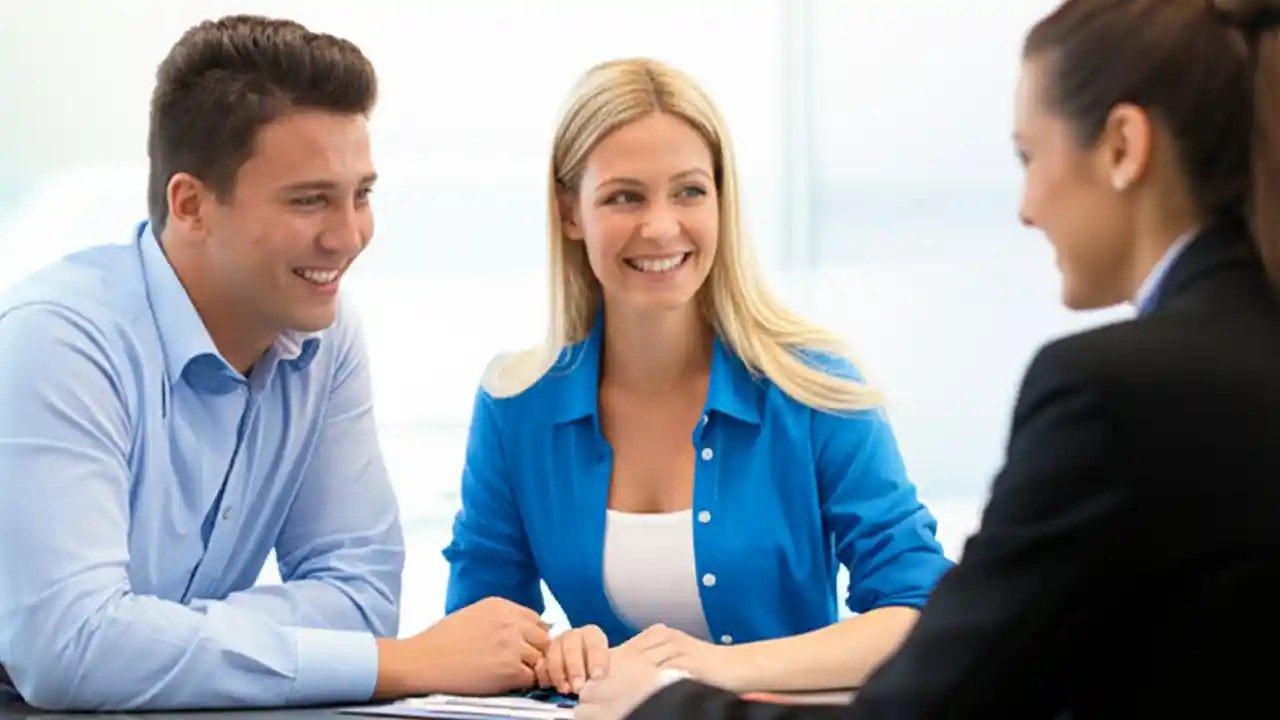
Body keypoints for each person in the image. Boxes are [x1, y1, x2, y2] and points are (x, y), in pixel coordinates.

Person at [578, 0, 1280, 717]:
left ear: (1124, 147)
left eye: (1028, 157)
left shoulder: (1111, 394)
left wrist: (659, 706)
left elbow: (924, 707)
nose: (1026, 208)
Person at [0, 14, 547, 711]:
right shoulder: (56, 340)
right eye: (310, 200)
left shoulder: (323, 333)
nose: (349, 236)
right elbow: (71, 650)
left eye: (361, 195)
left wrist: (148, 635)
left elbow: (362, 598)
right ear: (191, 206)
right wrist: (401, 664)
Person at [442, 57, 952, 700]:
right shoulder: (515, 406)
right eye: (624, 196)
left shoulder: (814, 388)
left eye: (688, 191)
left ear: (721, 200)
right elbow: (474, 644)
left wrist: (715, 669)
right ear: (570, 212)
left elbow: (920, 612)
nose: (661, 226)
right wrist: (555, 655)